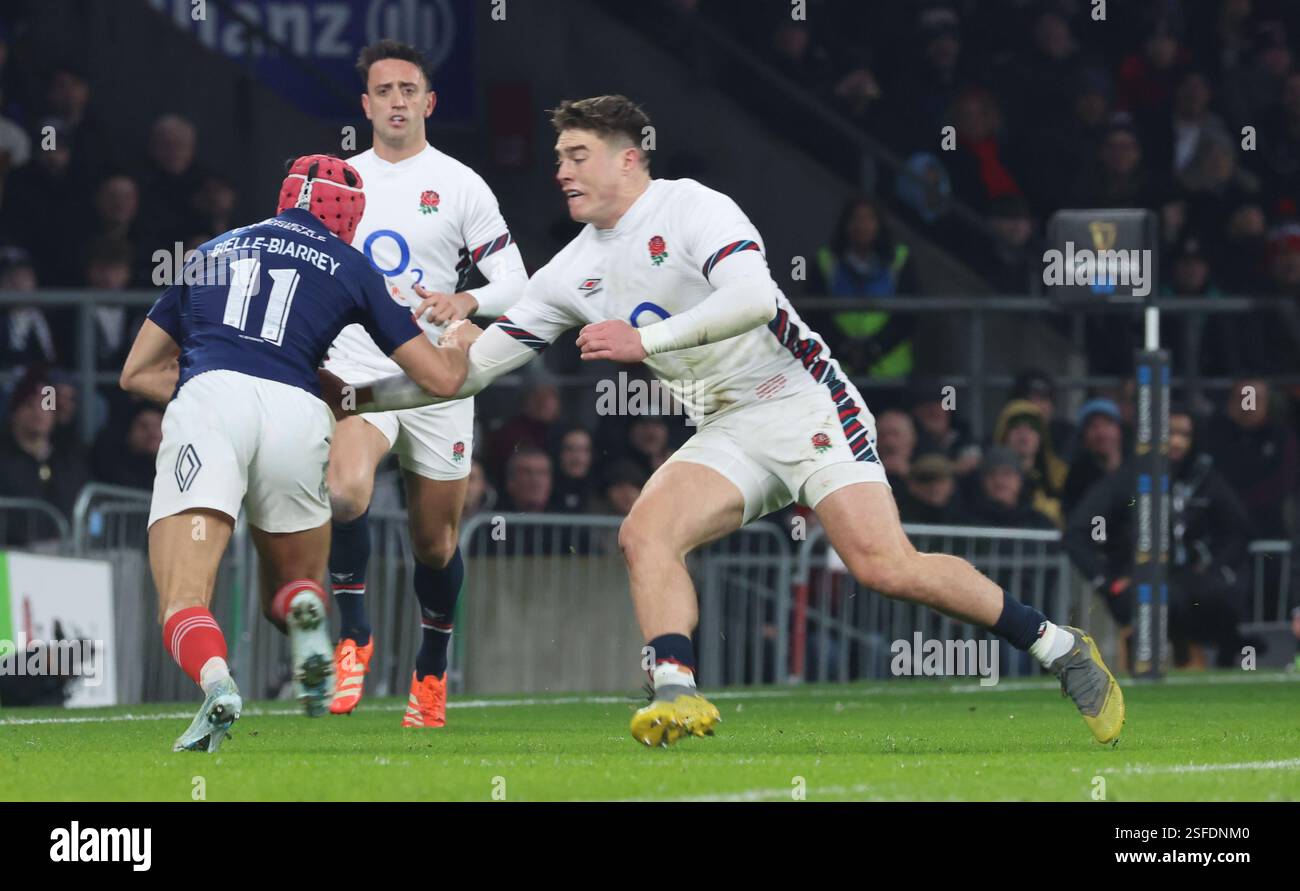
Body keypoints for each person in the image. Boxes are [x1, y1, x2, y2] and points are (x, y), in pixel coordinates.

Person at [334, 95, 1125, 748]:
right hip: (724, 426)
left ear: (628, 158)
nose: (562, 169)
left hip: (803, 398)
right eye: (560, 157)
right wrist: (358, 398)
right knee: (644, 532)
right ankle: (675, 687)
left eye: (578, 154)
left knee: (884, 566)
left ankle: (1057, 645)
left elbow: (751, 297)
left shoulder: (692, 206)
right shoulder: (571, 269)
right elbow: (465, 371)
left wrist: (646, 341)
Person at [118, 153, 476, 753]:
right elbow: (441, 381)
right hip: (298, 411)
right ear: (350, 220)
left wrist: (209, 390)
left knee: (184, 595)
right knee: (290, 592)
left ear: (285, 198)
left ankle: (216, 684)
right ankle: (310, 609)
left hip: (211, 399)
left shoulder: (213, 250)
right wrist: (462, 339)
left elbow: (137, 373)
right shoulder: (353, 266)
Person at [319, 41, 527, 725]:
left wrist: (467, 304)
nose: (398, 100)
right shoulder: (337, 182)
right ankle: (353, 634)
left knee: (434, 544)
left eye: (410, 89)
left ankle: (431, 670)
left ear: (429, 102)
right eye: (385, 90)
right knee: (345, 490)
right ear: (366, 105)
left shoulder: (462, 185)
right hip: (361, 364)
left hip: (438, 375)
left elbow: (516, 283)